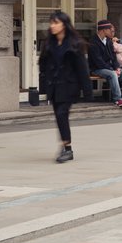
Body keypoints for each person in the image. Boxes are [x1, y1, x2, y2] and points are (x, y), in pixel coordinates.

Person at [38, 11, 91, 163]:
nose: (52, 26)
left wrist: (87, 91)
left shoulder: (75, 44)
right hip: (54, 85)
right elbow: (43, 64)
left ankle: (66, 148)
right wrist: (44, 83)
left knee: (62, 113)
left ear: (64, 25)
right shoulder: (48, 43)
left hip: (69, 86)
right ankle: (66, 147)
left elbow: (82, 68)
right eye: (51, 23)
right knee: (59, 116)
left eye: (56, 23)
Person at [88, 20, 122, 106]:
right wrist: (112, 70)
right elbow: (98, 61)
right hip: (96, 69)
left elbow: (113, 57)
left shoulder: (108, 41)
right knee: (112, 74)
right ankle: (117, 99)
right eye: (109, 29)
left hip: (109, 68)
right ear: (103, 30)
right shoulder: (93, 42)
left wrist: (117, 68)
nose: (111, 31)